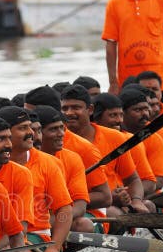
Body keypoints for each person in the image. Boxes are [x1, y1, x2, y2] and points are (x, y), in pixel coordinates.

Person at [0, 106, 73, 252]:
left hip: (36, 235)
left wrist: (54, 247)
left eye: (30, 127)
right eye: (23, 128)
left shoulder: (48, 163)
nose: (31, 132)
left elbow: (64, 209)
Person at [60, 85, 149, 219]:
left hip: (111, 207)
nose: (69, 113)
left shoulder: (115, 137)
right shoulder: (57, 141)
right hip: (77, 205)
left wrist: (136, 200)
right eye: (64, 108)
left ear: (90, 110)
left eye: (76, 108)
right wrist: (111, 197)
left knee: (146, 206)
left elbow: (133, 179)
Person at [34, 105, 100, 233]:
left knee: (83, 225)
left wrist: (49, 222)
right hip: (32, 224)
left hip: (53, 221)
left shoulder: (72, 158)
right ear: (37, 133)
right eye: (53, 130)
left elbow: (80, 206)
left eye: (62, 128)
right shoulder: (24, 160)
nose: (61, 134)